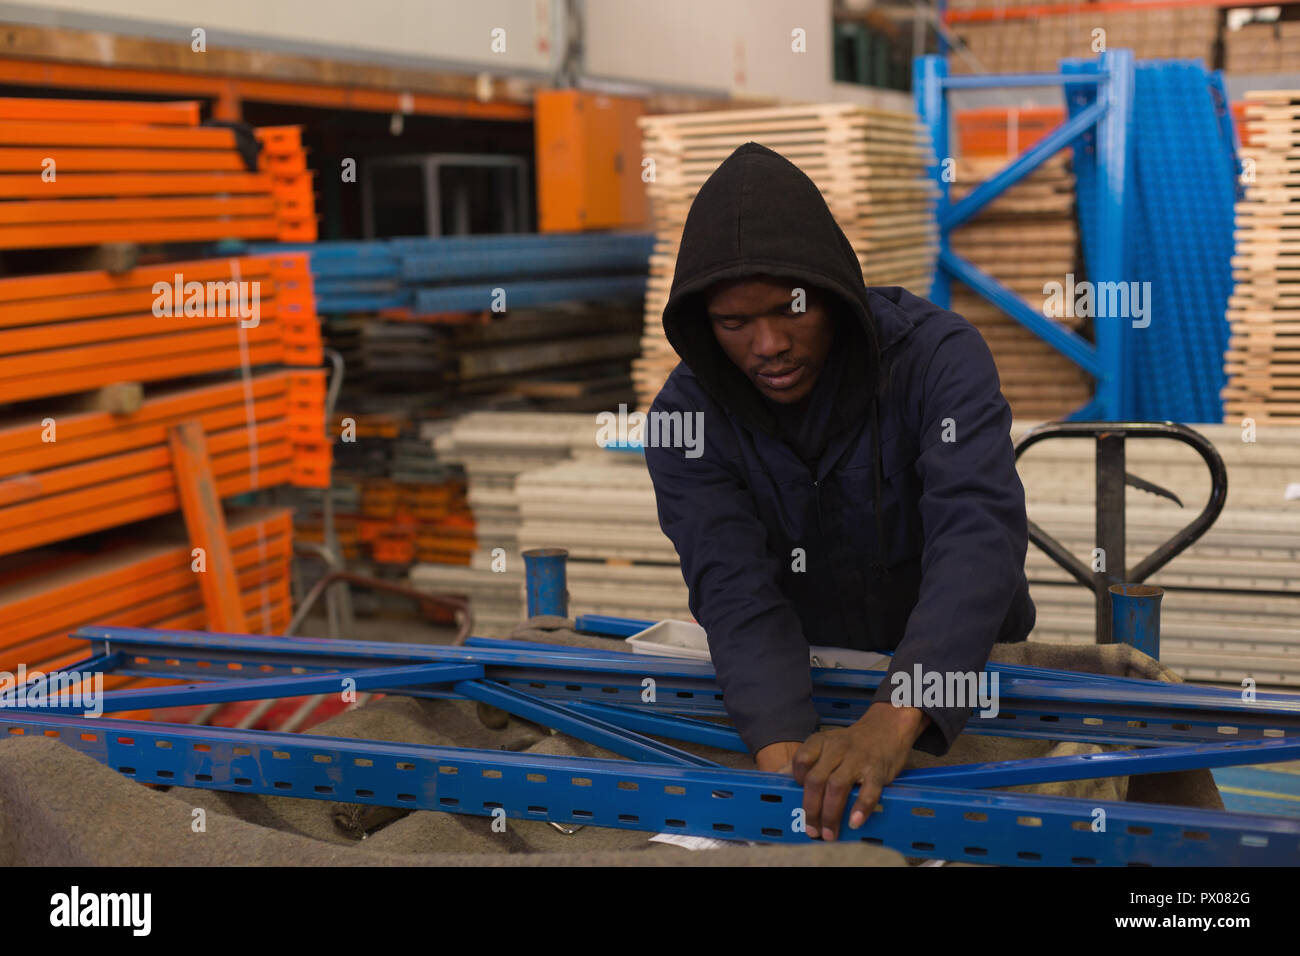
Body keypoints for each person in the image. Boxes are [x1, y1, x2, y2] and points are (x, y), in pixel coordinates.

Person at [643, 142, 1036, 842]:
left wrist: (893, 719)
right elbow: (734, 591)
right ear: (702, 326)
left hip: (964, 674)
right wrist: (788, 768)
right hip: (808, 673)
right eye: (734, 324)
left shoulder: (938, 359)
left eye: (789, 311)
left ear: (833, 293)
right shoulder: (685, 420)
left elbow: (977, 536)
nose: (767, 344)